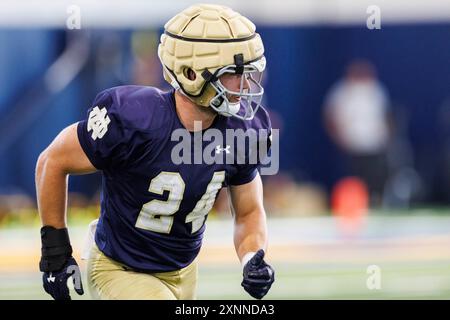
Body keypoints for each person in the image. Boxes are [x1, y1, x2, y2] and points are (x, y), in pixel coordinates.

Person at [35, 4, 275, 300]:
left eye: (249, 72)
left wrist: (251, 256)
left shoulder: (245, 129)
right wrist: (55, 252)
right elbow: (52, 160)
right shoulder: (135, 118)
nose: (246, 84)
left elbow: (249, 210)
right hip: (122, 269)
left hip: (185, 270)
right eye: (234, 73)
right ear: (191, 73)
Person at [323, 59, 392, 206]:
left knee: (374, 175)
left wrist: (385, 136)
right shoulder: (341, 91)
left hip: (373, 144)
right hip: (352, 145)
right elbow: (331, 117)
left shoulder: (376, 90)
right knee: (354, 177)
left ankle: (376, 200)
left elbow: (385, 115)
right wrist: (339, 138)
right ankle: (353, 202)